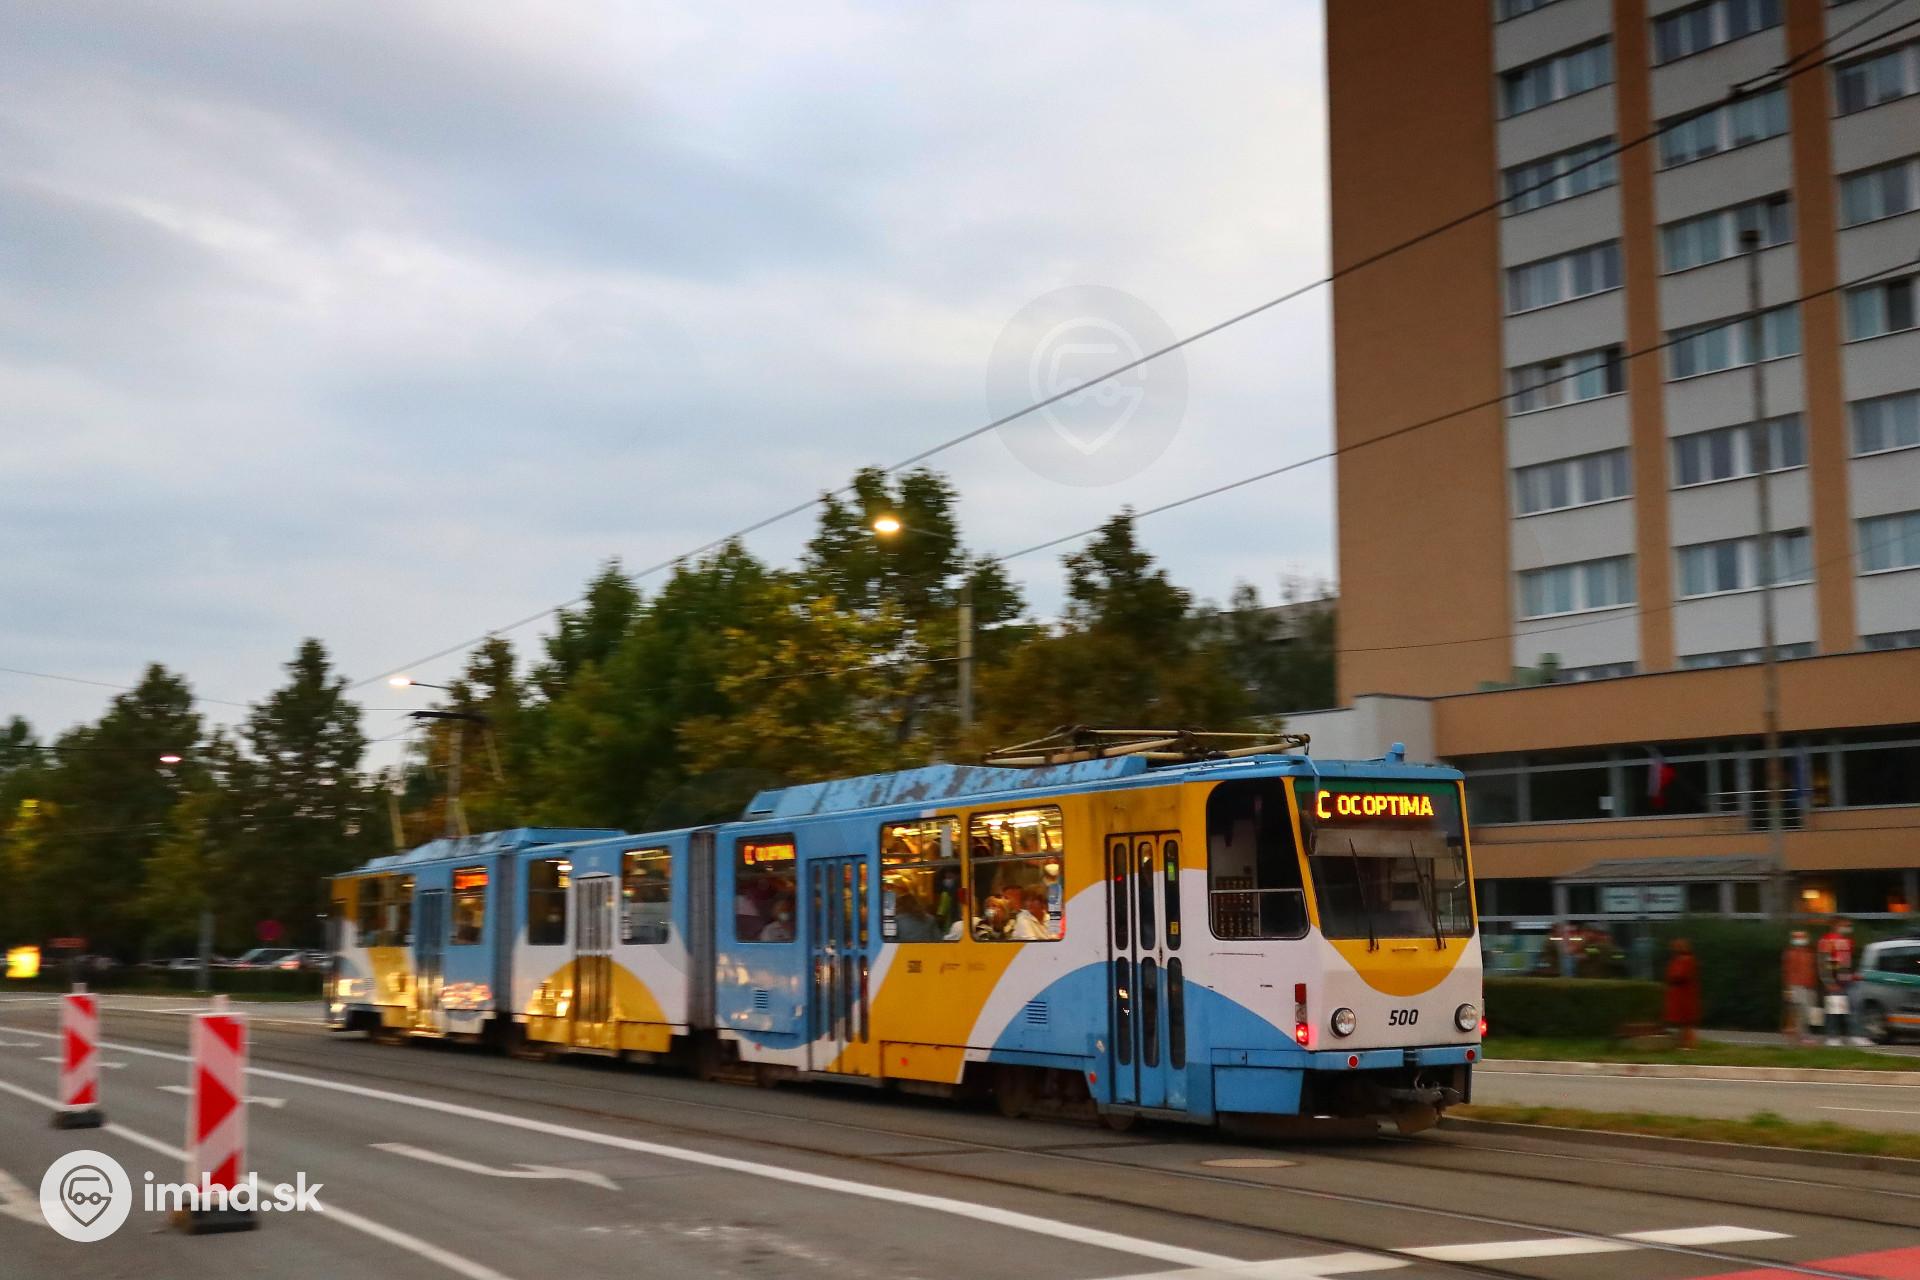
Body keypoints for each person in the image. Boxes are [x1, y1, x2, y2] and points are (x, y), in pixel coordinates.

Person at [1816, 917, 1864, 1046]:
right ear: (1836, 925)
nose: (1848, 927)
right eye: (1846, 925)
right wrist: (1828, 981)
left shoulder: (1848, 941)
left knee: (1854, 1008)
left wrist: (1853, 974)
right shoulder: (1827, 940)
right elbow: (1823, 962)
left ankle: (1855, 1035)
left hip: (1848, 980)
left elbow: (1848, 961)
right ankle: (1833, 1037)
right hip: (1835, 981)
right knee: (1835, 1009)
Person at [1663, 937, 1701, 1050]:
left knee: (1686, 1022)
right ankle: (1683, 1044)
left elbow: (1679, 975)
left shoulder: (1686, 960)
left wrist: (1672, 978)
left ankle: (1690, 1045)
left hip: (1684, 994)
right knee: (1682, 1023)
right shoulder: (1680, 959)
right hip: (1680, 993)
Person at [1781, 929, 1816, 1046]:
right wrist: (1788, 988)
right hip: (1796, 985)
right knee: (1801, 1011)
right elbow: (1788, 971)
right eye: (1798, 937)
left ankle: (1797, 1033)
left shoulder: (1809, 953)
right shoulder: (1791, 953)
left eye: (1802, 937)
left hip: (1808, 986)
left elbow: (1811, 970)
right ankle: (1803, 1036)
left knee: (1805, 1011)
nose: (1801, 940)